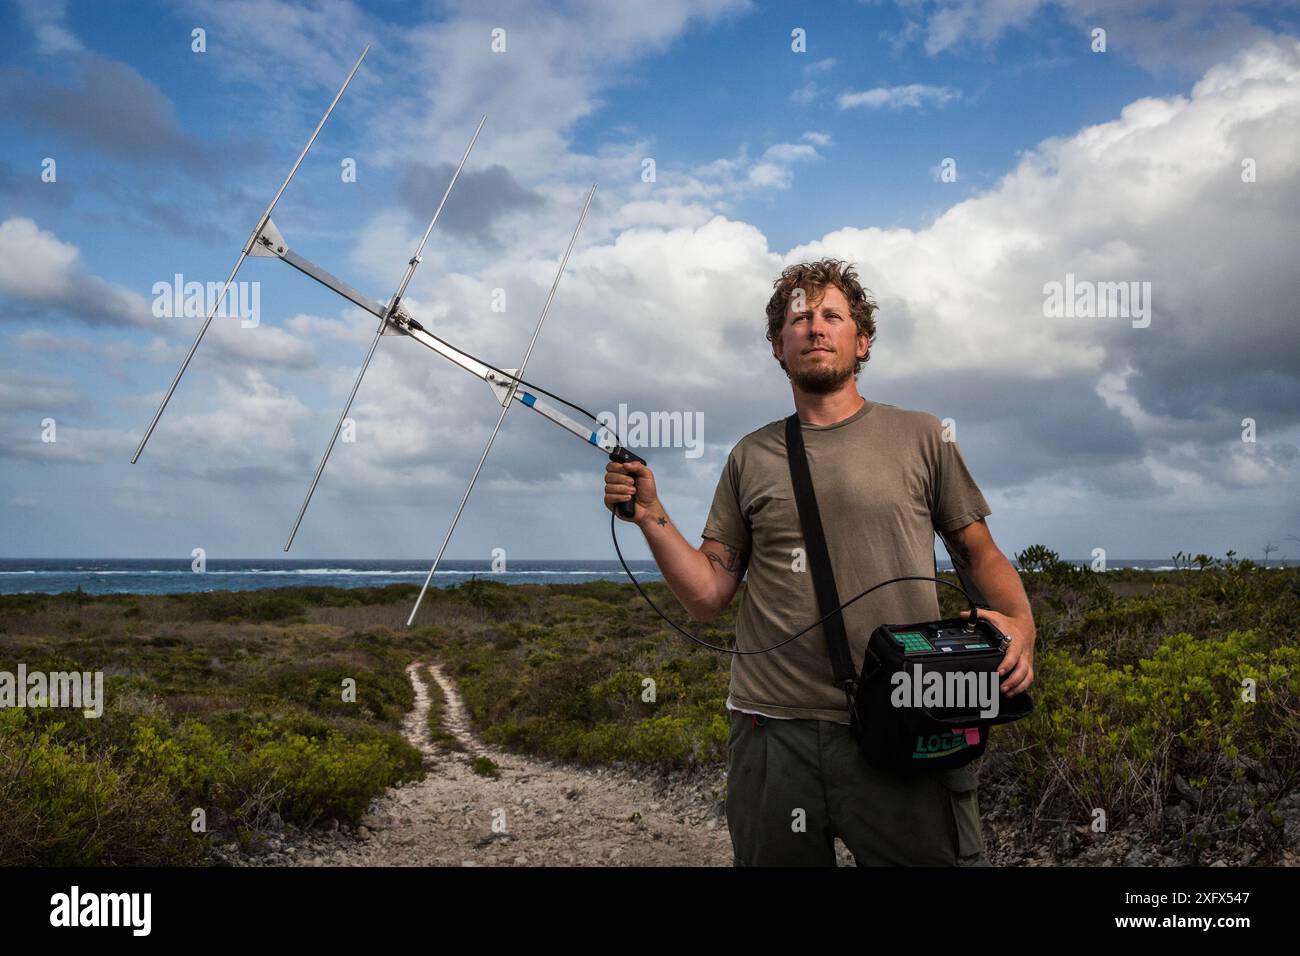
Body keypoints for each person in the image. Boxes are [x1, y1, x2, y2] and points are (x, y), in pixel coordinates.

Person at [604, 258, 1036, 866]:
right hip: (771, 731)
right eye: (799, 319)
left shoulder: (922, 435)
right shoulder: (750, 455)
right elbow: (706, 595)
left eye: (831, 315)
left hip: (907, 715)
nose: (814, 327)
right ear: (779, 349)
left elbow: (977, 551)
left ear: (861, 342)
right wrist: (650, 513)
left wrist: (1021, 627)